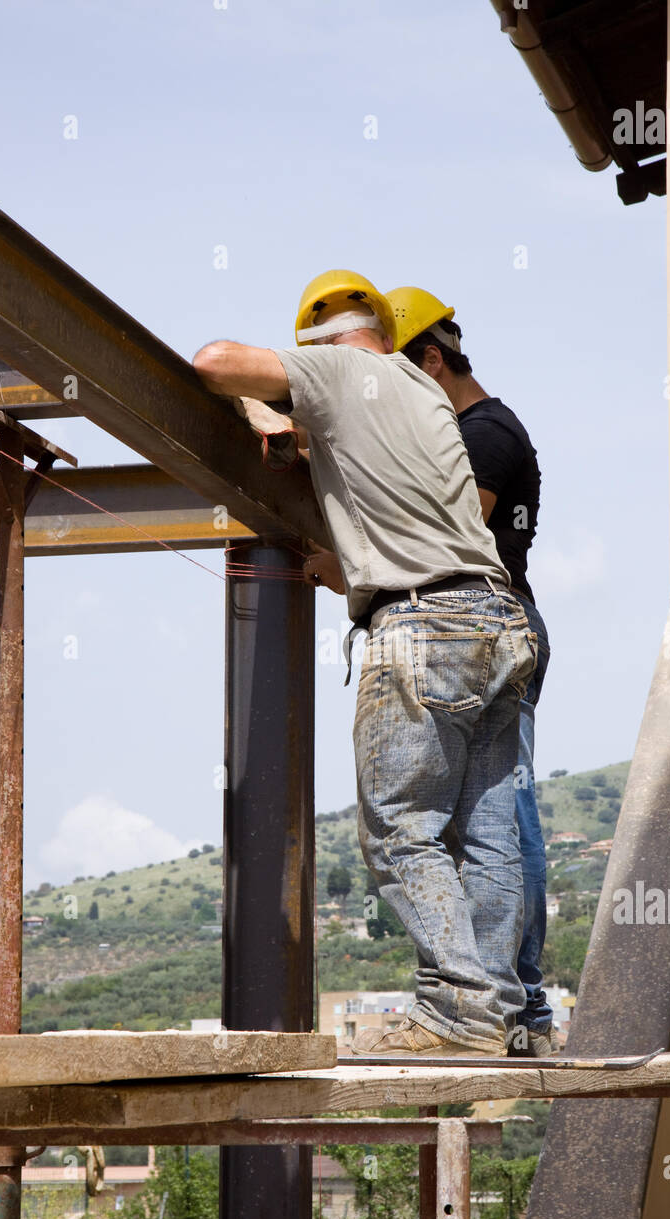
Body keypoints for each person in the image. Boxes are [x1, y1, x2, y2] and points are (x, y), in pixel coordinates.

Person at [193, 269, 536, 1058]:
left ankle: (455, 1011)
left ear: (318, 337)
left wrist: (262, 394)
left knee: (402, 832)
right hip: (494, 618)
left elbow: (212, 360)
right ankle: (497, 1014)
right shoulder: (424, 395)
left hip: (419, 629)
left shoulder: (341, 368)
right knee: (486, 837)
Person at [391, 287, 555, 1056]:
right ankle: (512, 1007)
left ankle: (517, 1007)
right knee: (488, 820)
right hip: (496, 633)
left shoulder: (483, 435)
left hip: (493, 632)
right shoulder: (473, 429)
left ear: (432, 359)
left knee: (501, 820)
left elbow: (449, 531)